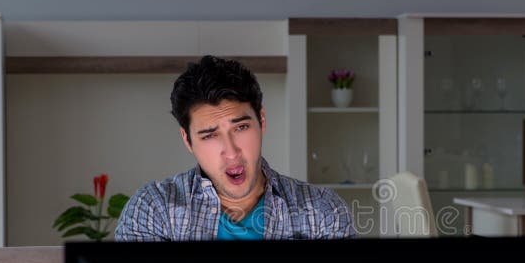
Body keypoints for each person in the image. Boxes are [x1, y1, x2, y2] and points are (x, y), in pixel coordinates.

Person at [115, 55, 356, 241]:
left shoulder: (322, 210)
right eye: (210, 135)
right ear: (187, 140)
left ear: (261, 121)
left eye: (240, 128)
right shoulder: (154, 208)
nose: (231, 152)